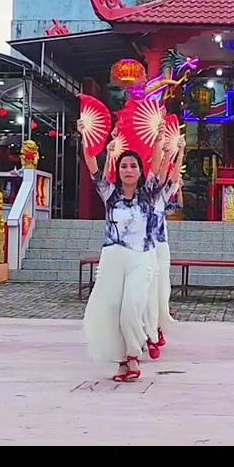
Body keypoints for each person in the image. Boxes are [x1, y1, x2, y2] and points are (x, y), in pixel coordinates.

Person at [80, 131, 171, 382]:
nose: (128, 169)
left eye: (133, 166)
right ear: (118, 171)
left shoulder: (149, 195)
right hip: (112, 257)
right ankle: (125, 360)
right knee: (111, 308)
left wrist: (158, 141)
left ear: (140, 172)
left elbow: (157, 168)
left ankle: (134, 350)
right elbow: (91, 164)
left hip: (140, 258)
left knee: (132, 308)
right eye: (123, 166)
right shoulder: (109, 194)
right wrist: (85, 137)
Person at [143, 160, 182, 359]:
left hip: (160, 248)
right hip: (141, 249)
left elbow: (173, 177)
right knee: (143, 293)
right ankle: (145, 333)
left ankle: (155, 329)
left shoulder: (164, 196)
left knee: (159, 291)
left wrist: (177, 151)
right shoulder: (139, 197)